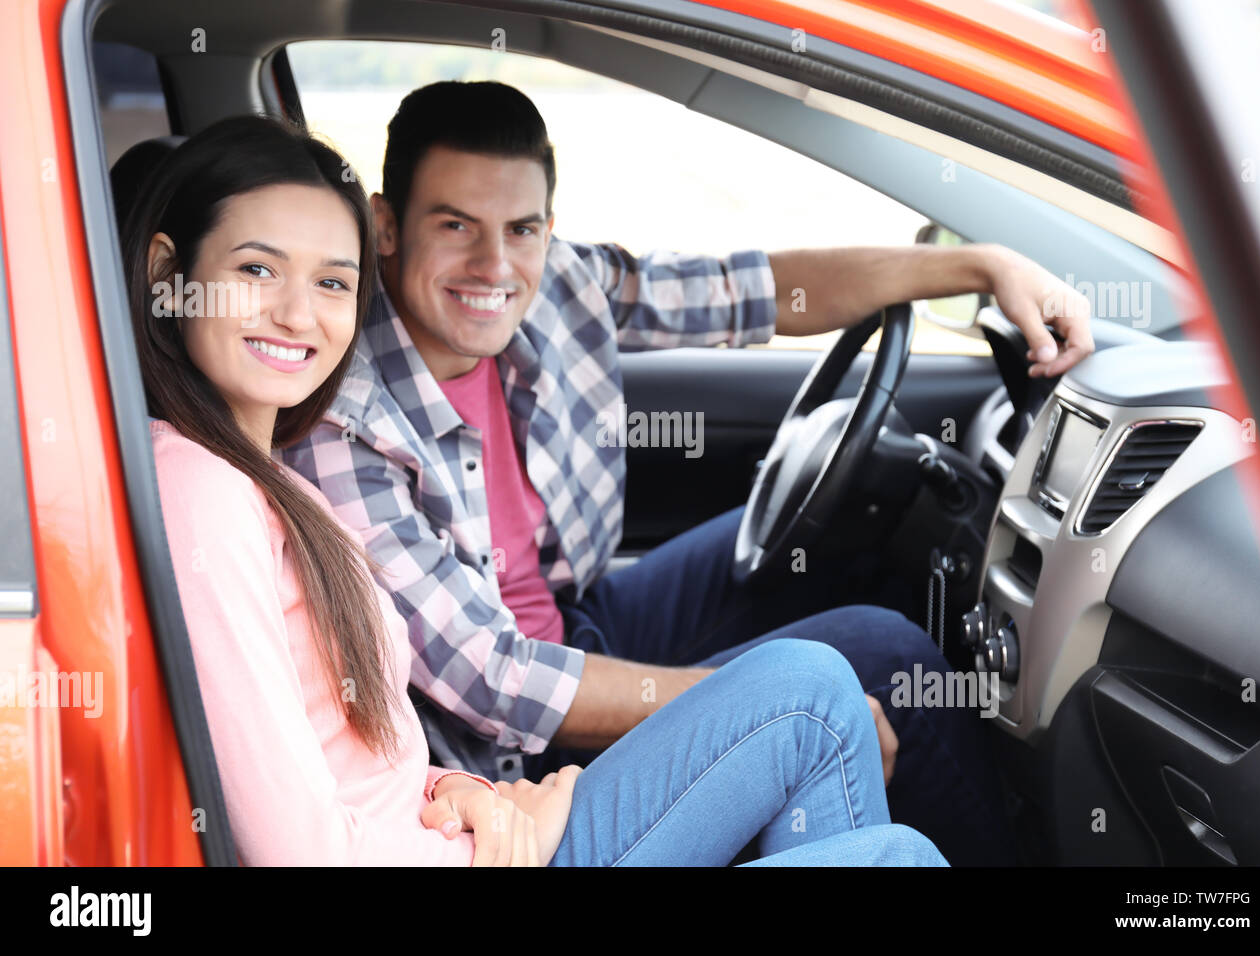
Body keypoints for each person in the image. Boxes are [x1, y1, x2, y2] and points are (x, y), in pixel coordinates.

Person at [283, 81, 1097, 865]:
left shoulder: (554, 282)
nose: (495, 264)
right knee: (866, 665)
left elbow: (757, 291)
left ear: (547, 226)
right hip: (509, 758)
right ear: (386, 227)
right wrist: (741, 708)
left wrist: (982, 267)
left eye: (522, 229)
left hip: (573, 618)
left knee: (859, 564)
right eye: (456, 226)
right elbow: (500, 683)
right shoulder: (346, 423)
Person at [125, 112, 946, 866]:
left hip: (475, 827)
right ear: (169, 276)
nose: (298, 315)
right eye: (258, 270)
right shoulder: (210, 492)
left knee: (814, 683)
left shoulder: (259, 473)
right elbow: (302, 847)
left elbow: (364, 764)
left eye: (331, 283)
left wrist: (469, 798)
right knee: (890, 839)